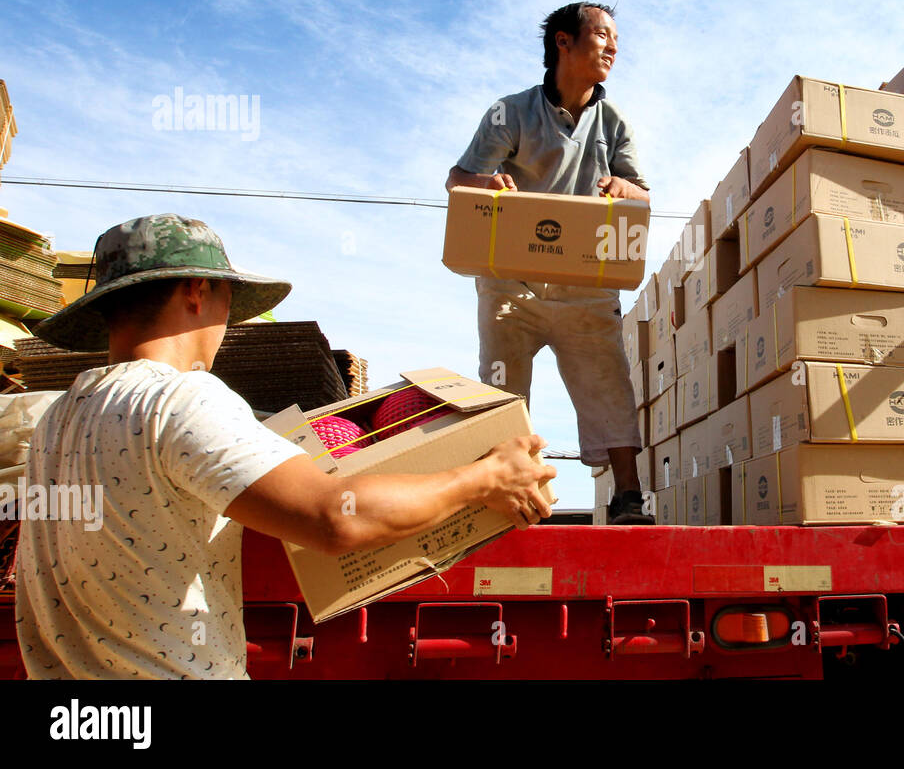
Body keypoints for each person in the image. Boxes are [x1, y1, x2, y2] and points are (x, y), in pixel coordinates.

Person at [15, 213, 554, 679]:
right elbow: (333, 518)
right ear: (196, 293)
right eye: (231, 301)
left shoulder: (59, 417)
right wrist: (485, 478)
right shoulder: (180, 400)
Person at [445, 1, 653, 524]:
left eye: (616, 39)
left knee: (608, 384)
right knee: (502, 388)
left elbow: (642, 195)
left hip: (585, 283)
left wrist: (624, 187)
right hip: (511, 284)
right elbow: (457, 178)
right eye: (602, 35)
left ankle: (628, 496)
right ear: (564, 41)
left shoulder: (614, 121)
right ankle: (510, 495)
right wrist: (486, 183)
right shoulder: (510, 112)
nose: (613, 46)